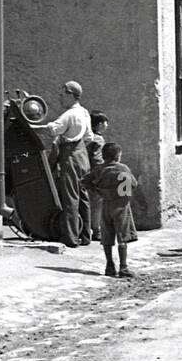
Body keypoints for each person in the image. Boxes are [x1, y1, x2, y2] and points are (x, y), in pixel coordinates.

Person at [38, 80, 95, 248]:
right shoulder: (84, 112)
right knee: (84, 197)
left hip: (70, 155)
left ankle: (70, 237)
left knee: (70, 197)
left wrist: (35, 126)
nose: (60, 98)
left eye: (62, 95)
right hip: (82, 155)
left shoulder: (70, 114)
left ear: (71, 95)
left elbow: (54, 129)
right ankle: (86, 236)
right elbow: (89, 137)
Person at [81, 142, 138, 278]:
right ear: (118, 155)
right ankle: (123, 267)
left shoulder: (100, 169)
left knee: (107, 236)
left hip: (106, 204)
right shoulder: (123, 168)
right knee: (122, 236)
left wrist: (98, 190)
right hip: (122, 205)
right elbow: (134, 184)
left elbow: (84, 181)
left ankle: (109, 266)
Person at [87, 112, 108, 241]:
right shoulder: (98, 139)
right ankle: (97, 231)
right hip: (95, 174)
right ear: (100, 124)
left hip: (85, 172)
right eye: (105, 123)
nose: (107, 125)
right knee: (97, 203)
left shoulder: (88, 137)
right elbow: (97, 159)